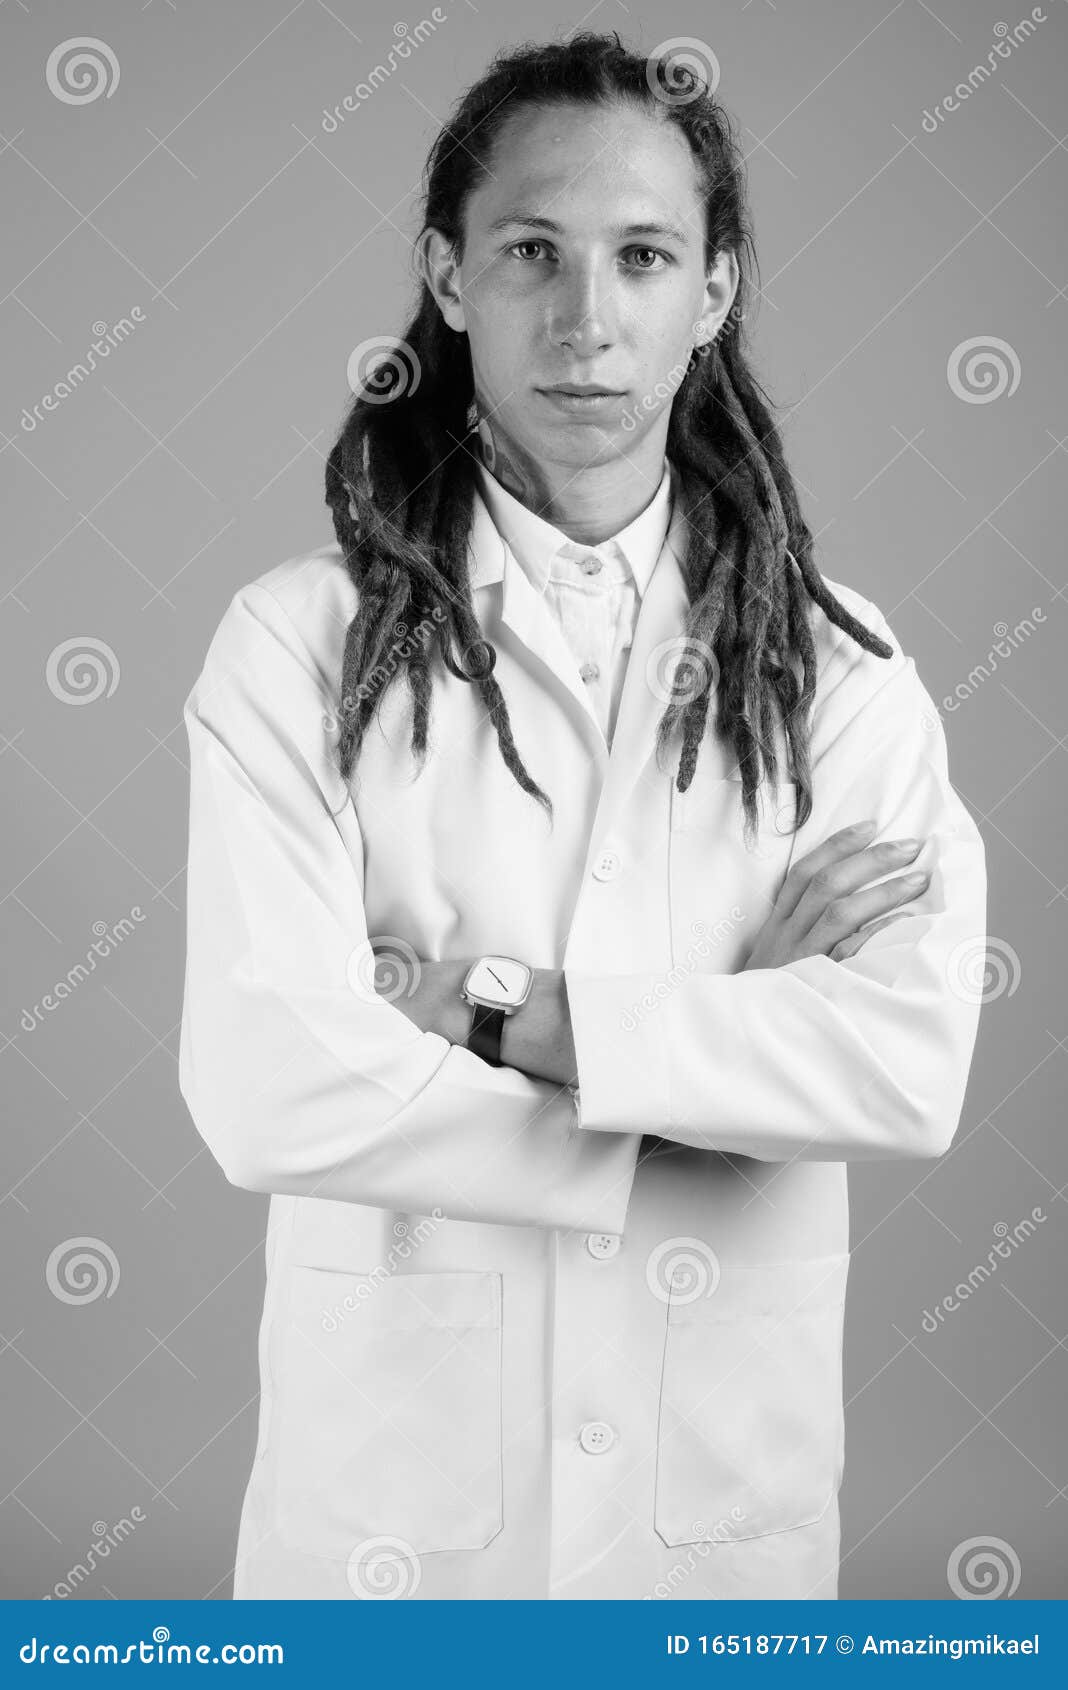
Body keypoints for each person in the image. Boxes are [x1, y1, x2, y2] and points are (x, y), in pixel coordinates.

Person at [178, 31, 987, 1601]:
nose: (588, 321)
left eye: (643, 256)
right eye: (532, 251)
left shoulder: (837, 670)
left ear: (715, 292)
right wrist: (722, 1055)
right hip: (389, 1548)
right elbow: (265, 1081)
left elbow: (906, 1066)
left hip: (720, 1553)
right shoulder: (297, 645)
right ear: (450, 276)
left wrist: (503, 1018)